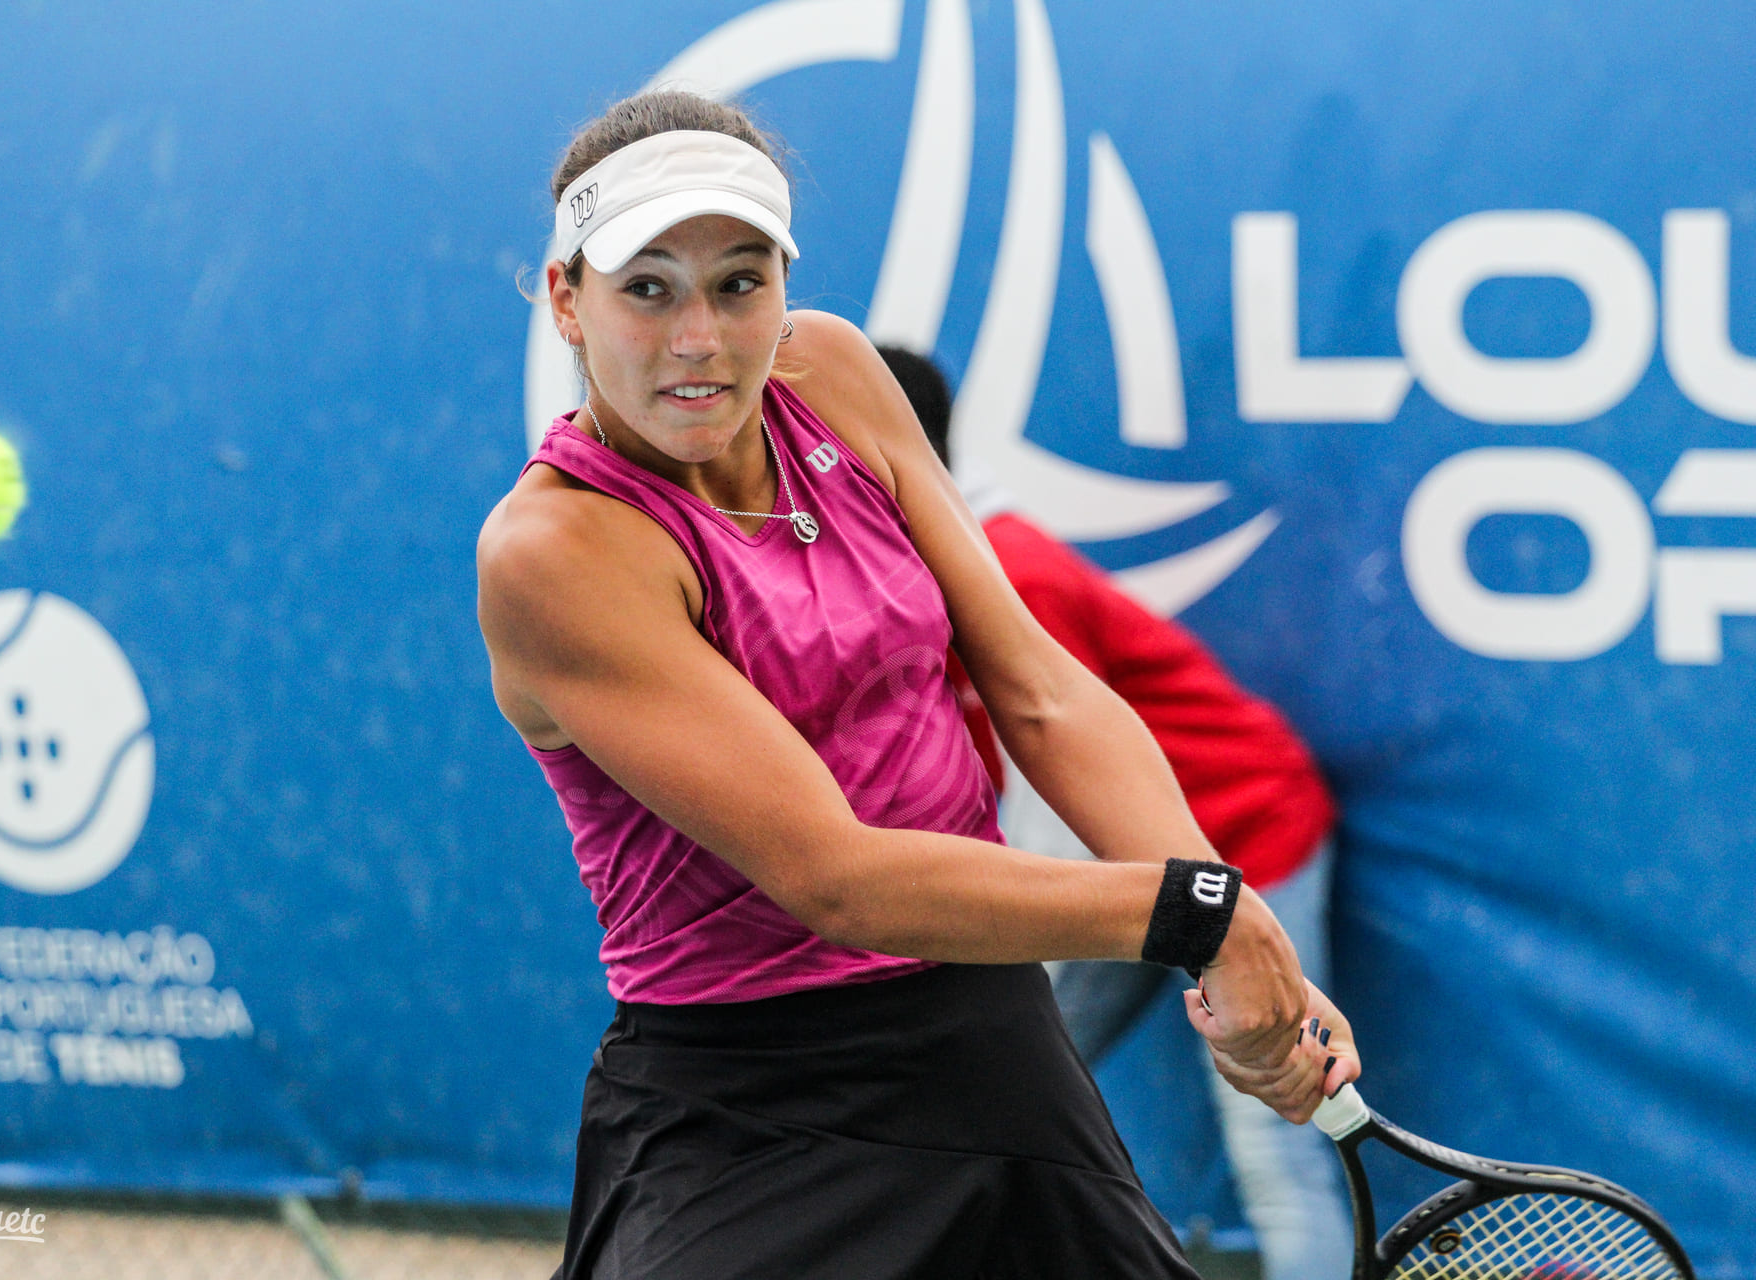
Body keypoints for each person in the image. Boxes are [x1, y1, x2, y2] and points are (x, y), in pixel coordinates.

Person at [478, 88, 1358, 1279]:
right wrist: (1201, 916)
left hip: (990, 1041)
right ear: (566, 300)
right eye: (648, 287)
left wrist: (1223, 919)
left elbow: (1038, 688)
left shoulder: (833, 370)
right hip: (751, 1103)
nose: (699, 338)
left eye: (739, 282)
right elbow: (835, 877)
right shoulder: (556, 552)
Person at [878, 344, 1355, 1280]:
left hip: (1247, 833)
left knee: (1275, 1141)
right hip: (1134, 878)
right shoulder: (913, 581)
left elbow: (1064, 792)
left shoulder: (1009, 571)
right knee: (1004, 1090)